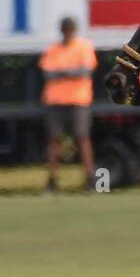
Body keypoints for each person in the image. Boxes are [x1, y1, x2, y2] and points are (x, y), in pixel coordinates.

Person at [39, 16, 97, 192]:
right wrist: (71, 72)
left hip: (79, 100)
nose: (68, 32)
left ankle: (90, 178)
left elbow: (86, 71)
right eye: (66, 29)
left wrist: (62, 72)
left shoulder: (83, 47)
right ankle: (52, 180)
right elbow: (47, 73)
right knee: (54, 140)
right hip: (55, 100)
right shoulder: (53, 50)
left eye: (70, 29)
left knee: (82, 138)